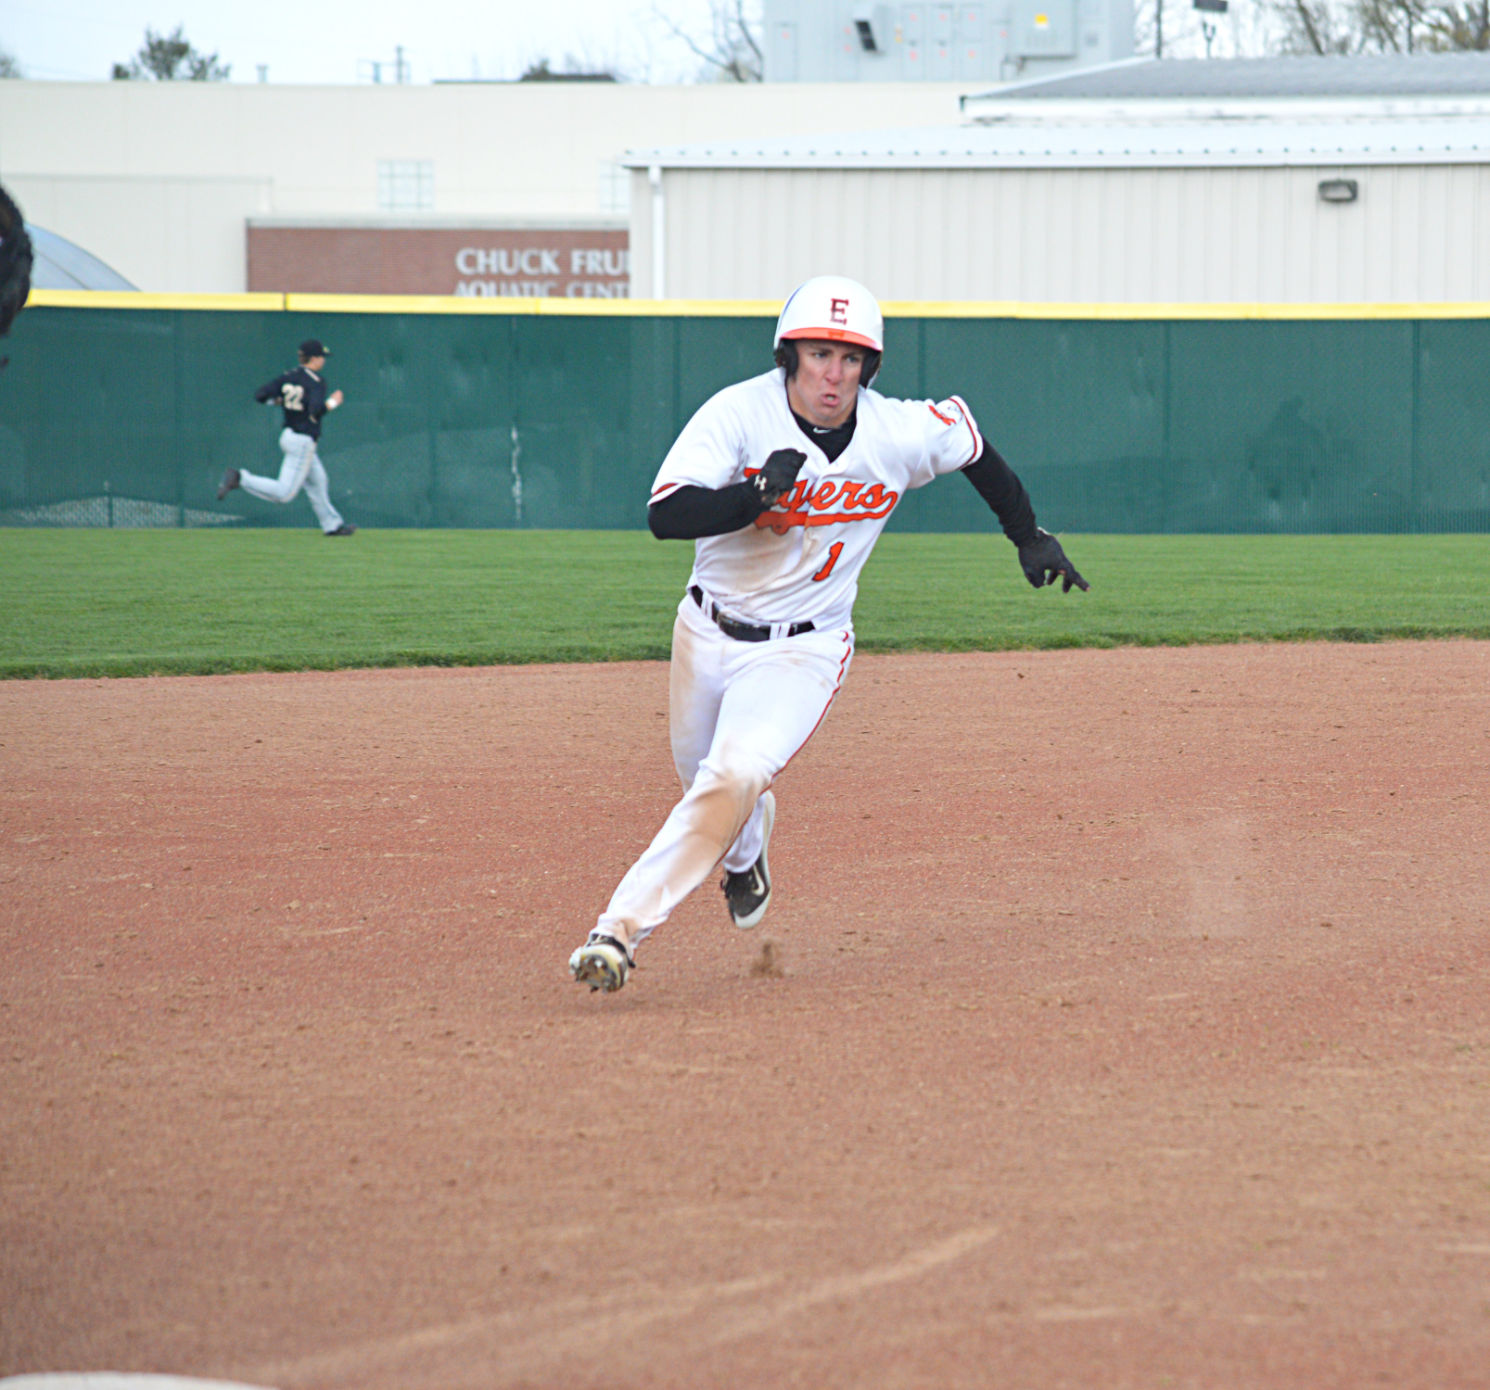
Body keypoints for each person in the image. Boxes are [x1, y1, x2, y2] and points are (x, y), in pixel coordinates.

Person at [569, 274, 1088, 994]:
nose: (833, 375)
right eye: (818, 355)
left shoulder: (893, 430)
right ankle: (745, 852)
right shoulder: (737, 414)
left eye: (850, 360)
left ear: (868, 370)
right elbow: (666, 514)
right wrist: (753, 496)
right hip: (706, 630)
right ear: (790, 356)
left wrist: (1028, 535)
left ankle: (618, 932)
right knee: (708, 784)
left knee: (734, 775)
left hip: (806, 647)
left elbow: (975, 450)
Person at [218, 337, 356, 535]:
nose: (323, 361)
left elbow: (260, 395)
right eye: (321, 357)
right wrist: (333, 403)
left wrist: (278, 402)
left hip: (289, 435)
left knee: (318, 482)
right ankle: (240, 478)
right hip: (302, 440)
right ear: (314, 359)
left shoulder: (289, 376)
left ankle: (332, 525)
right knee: (285, 493)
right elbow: (315, 412)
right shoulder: (316, 381)